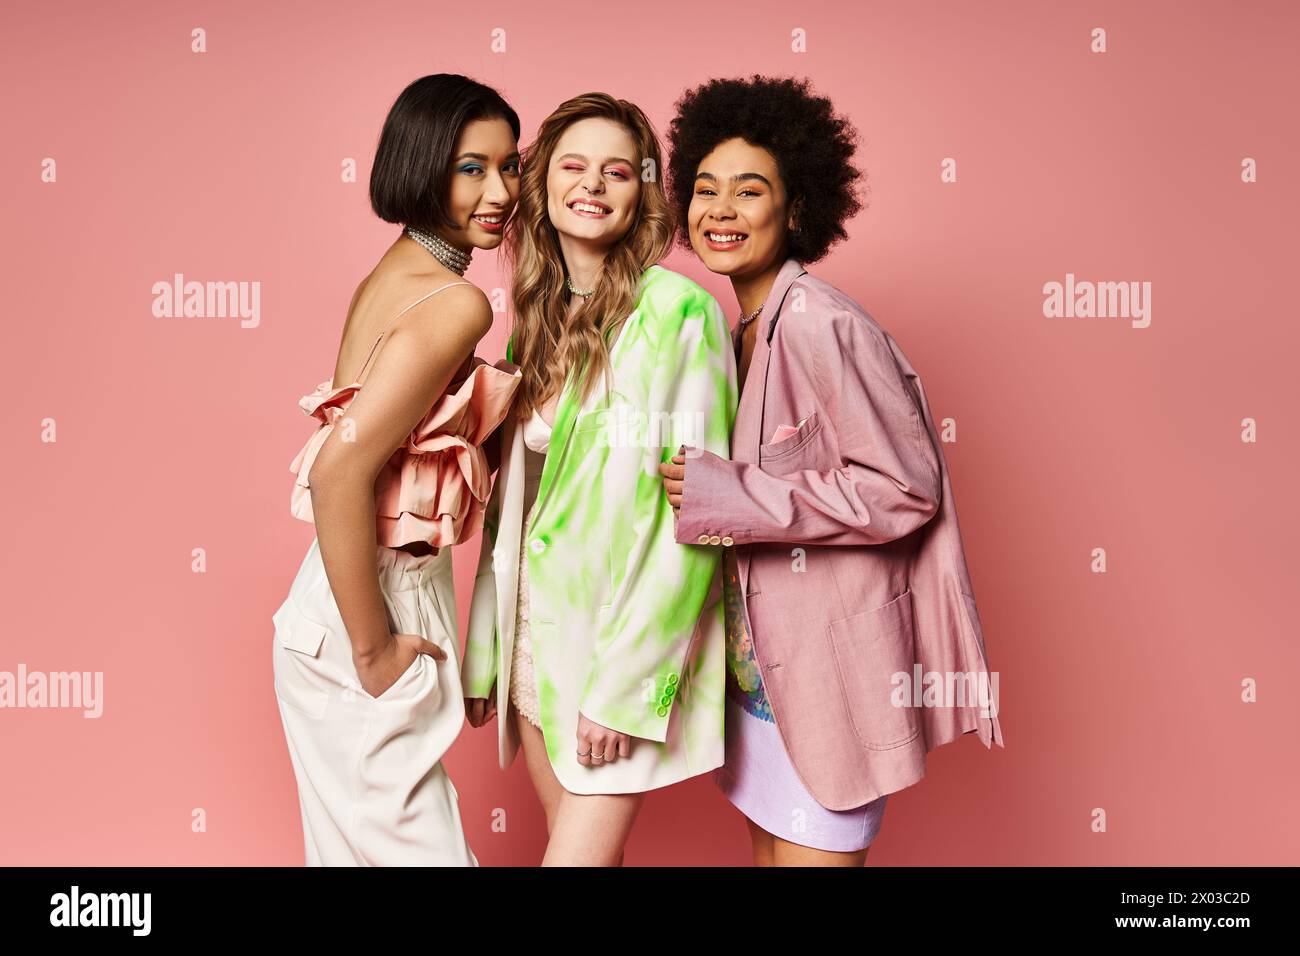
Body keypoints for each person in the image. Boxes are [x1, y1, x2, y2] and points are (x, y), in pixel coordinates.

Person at [659, 75, 1004, 867]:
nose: (720, 210)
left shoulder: (821, 322)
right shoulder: (734, 330)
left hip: (827, 690)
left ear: (798, 208)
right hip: (759, 686)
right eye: (705, 189)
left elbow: (904, 488)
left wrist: (729, 494)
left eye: (749, 192)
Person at [461, 92, 738, 866]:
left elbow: (698, 523)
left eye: (617, 171)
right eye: (573, 167)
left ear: (642, 191)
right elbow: (509, 515)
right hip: (530, 653)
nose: (593, 185)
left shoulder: (682, 313)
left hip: (613, 652)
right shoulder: (535, 320)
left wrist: (626, 687)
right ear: (543, 184)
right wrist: (484, 646)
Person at [271, 74, 523, 866]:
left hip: (333, 602)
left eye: (510, 165)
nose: (500, 190)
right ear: (421, 164)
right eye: (470, 167)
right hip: (369, 608)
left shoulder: (397, 272)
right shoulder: (455, 302)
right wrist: (376, 650)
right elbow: (339, 472)